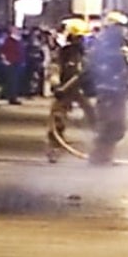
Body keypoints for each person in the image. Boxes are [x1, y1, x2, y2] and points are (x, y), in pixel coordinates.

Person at [86, 14, 128, 165]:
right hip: (110, 92)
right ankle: (99, 156)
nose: (124, 31)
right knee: (110, 125)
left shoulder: (111, 45)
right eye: (122, 28)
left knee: (115, 126)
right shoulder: (108, 47)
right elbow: (105, 68)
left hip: (115, 91)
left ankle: (105, 156)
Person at [47, 19, 96, 160]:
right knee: (57, 118)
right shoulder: (64, 53)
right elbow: (55, 68)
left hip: (80, 90)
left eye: (81, 38)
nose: (80, 41)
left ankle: (103, 149)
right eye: (78, 37)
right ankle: (54, 147)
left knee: (94, 116)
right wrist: (56, 85)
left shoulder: (87, 55)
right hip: (65, 89)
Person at [0, 29, 25, 104]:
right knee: (12, 81)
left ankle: (13, 97)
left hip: (17, 62)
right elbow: (2, 51)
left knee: (15, 81)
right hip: (11, 63)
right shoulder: (8, 41)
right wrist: (6, 61)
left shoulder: (18, 41)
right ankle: (12, 97)